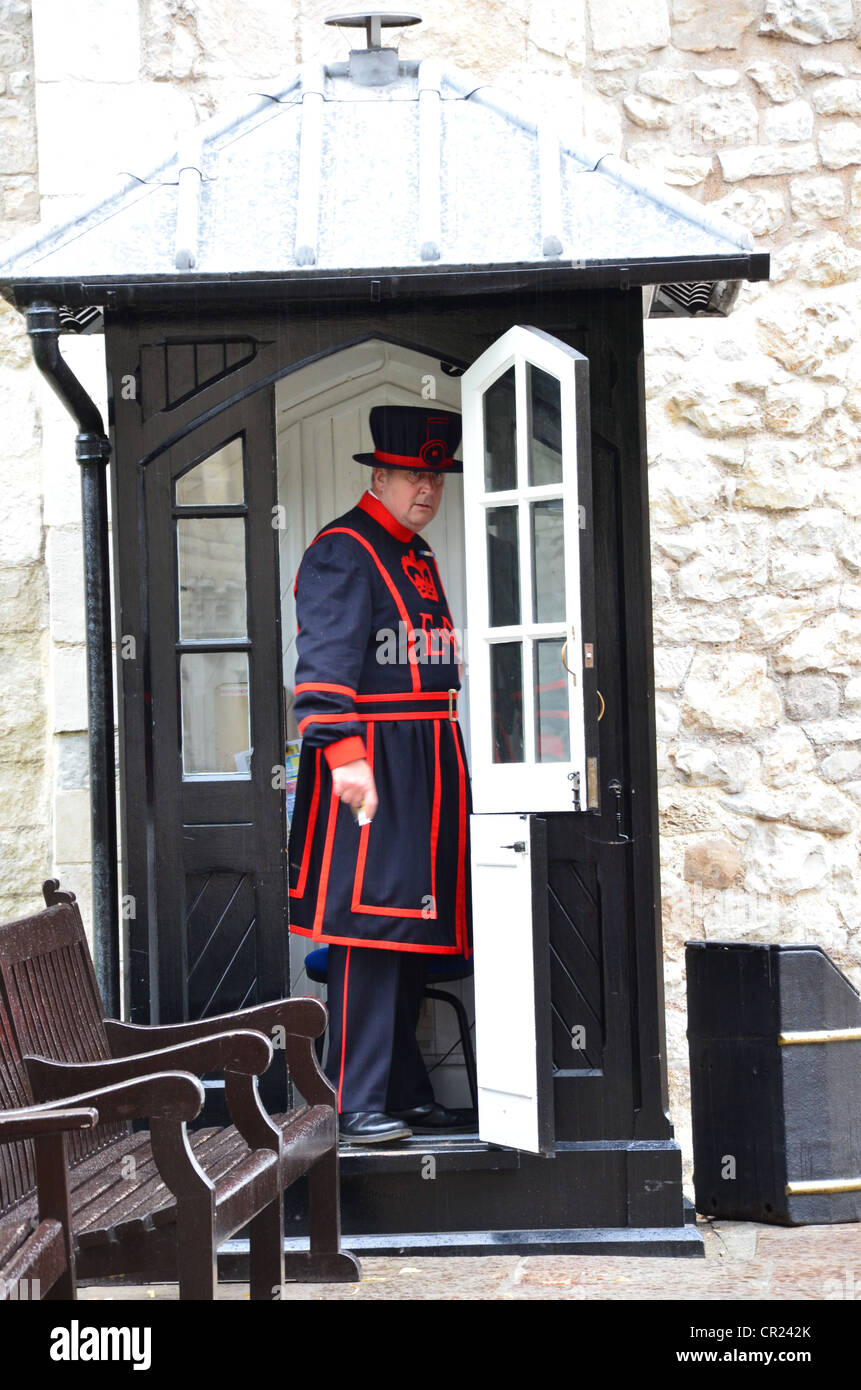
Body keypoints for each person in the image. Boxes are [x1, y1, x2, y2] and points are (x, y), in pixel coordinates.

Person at [287, 404, 473, 1144]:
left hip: (426, 763)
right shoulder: (343, 550)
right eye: (412, 475)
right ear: (381, 473)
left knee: (408, 930)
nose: (426, 489)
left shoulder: (415, 555)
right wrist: (342, 756)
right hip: (371, 766)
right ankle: (351, 1100)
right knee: (367, 930)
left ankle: (401, 1087)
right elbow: (323, 665)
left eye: (434, 476)